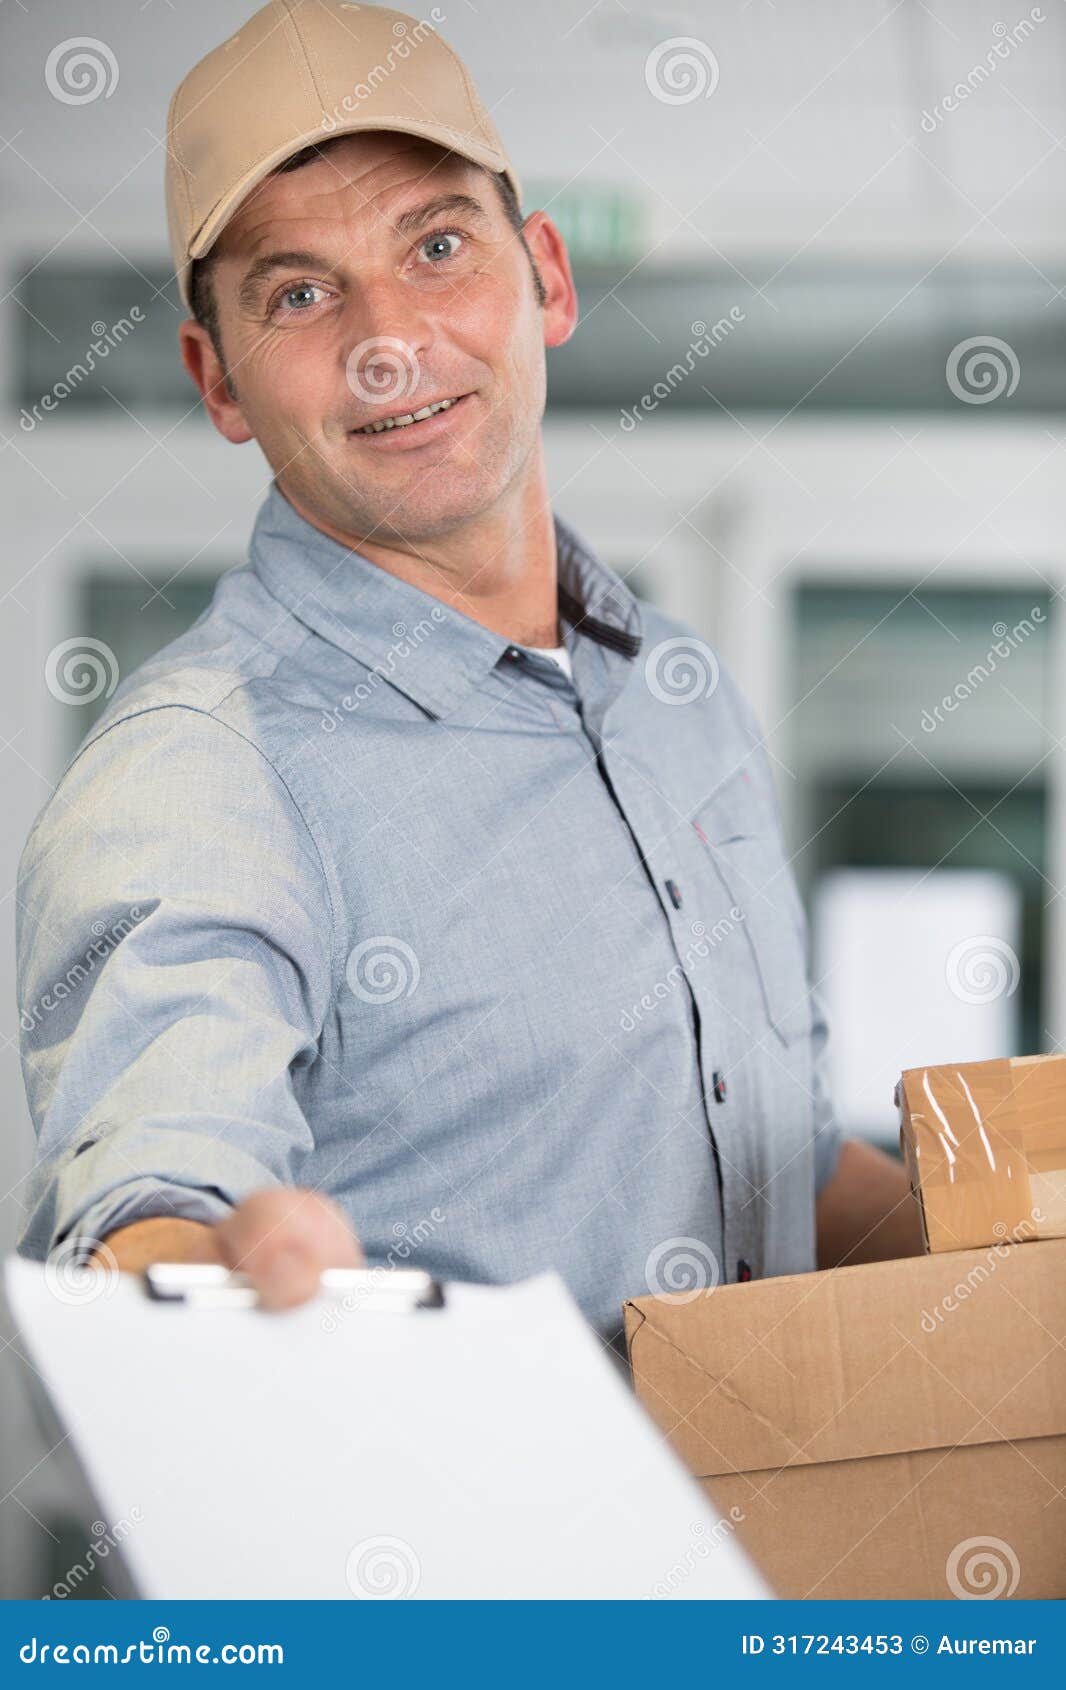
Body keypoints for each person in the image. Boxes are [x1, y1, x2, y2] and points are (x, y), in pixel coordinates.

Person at [16, 0, 920, 1345]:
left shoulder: (674, 691)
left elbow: (775, 1165)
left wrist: (999, 1255)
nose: (390, 335)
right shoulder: (204, 764)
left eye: (437, 245)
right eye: (301, 292)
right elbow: (145, 1204)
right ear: (218, 379)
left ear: (545, 276)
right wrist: (201, 1264)